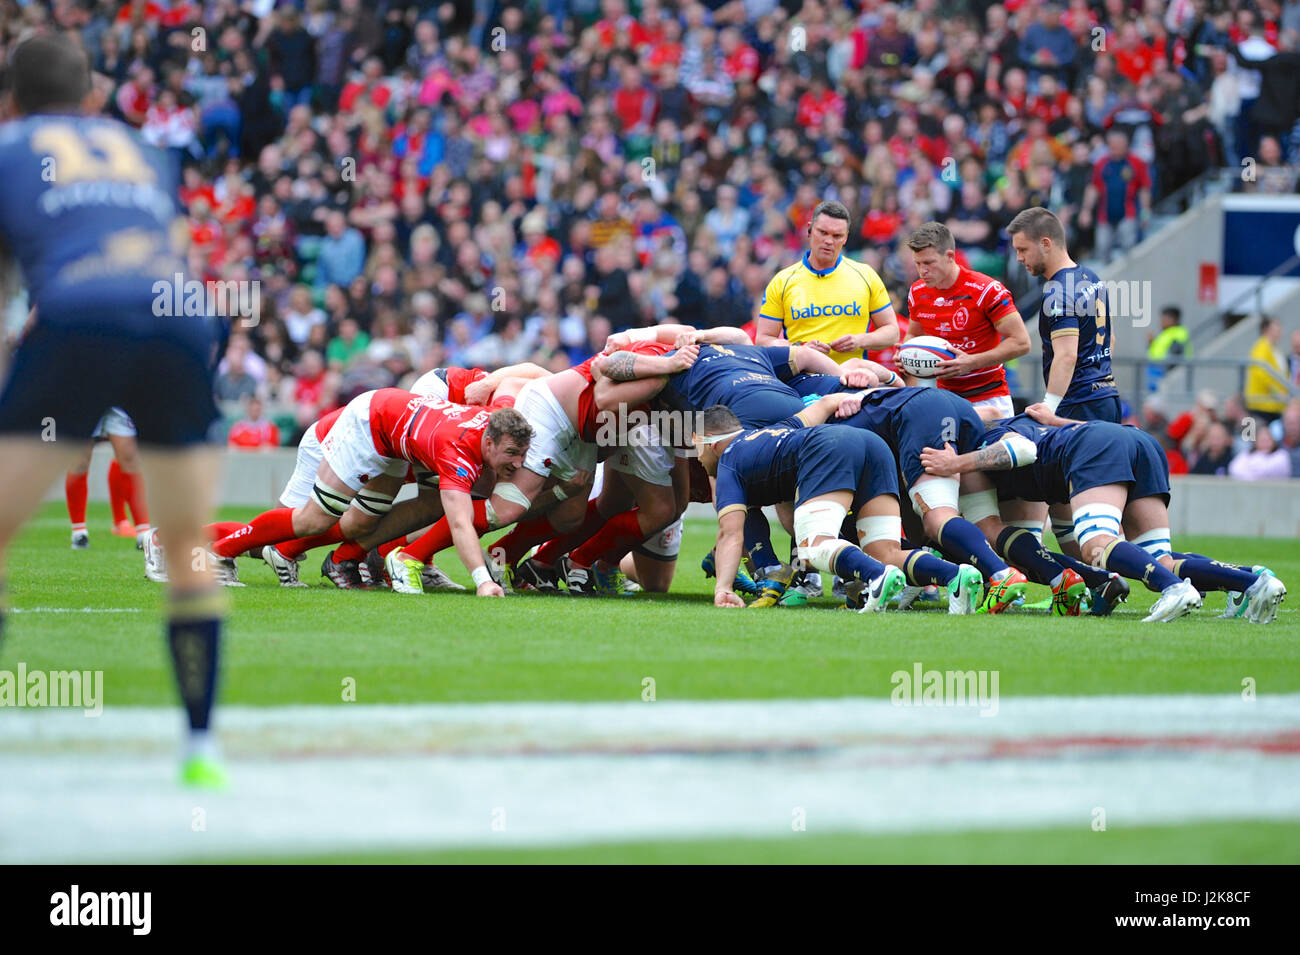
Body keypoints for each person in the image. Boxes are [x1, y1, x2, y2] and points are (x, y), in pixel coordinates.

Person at [0, 34, 225, 787]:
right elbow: (177, 245)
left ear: (11, 101)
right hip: (181, 315)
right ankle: (200, 747)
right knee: (189, 544)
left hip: (82, 313)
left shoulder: (10, 146)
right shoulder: (141, 150)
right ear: (93, 97)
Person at [920, 410, 1287, 624]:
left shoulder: (991, 436)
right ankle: (1251, 582)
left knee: (1097, 544)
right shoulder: (1037, 432)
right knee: (1156, 558)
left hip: (1099, 448)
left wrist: (956, 463)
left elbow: (1022, 449)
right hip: (1136, 441)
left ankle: (1173, 589)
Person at [698, 399, 986, 614]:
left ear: (710, 444)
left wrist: (722, 588)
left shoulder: (728, 463)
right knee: (884, 553)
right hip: (871, 443)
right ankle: (955, 575)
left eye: (696, 448)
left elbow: (731, 533)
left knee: (812, 547)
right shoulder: (771, 432)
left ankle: (876, 578)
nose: (697, 459)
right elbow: (820, 406)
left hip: (829, 447)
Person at [904, 221, 1031, 421]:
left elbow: (1022, 343)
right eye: (917, 264)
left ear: (950, 257)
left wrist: (972, 362)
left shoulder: (986, 290)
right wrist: (905, 355)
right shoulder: (917, 292)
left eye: (928, 263)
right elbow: (913, 335)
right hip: (946, 401)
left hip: (990, 398)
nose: (922, 271)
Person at [1007, 206, 1120, 422]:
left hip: (1079, 403)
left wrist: (1049, 407)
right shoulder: (1091, 276)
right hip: (1107, 396)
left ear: (1046, 244)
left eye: (1023, 249)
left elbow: (1067, 355)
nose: (1019, 258)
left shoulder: (1057, 292)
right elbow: (1110, 339)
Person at [755, 199, 901, 365]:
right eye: (823, 233)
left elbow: (892, 332)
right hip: (802, 379)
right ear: (809, 230)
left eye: (837, 236)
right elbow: (763, 340)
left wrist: (860, 340)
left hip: (854, 378)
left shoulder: (866, 275)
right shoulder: (782, 281)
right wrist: (800, 349)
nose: (829, 241)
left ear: (846, 237)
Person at [66, 407, 152, 549]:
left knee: (129, 458)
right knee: (80, 461)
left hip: (118, 398)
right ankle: (79, 532)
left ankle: (143, 530)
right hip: (84, 394)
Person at [1244, 316, 1289, 424]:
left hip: (1275, 405)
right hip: (1261, 404)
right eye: (1276, 328)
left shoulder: (1275, 348)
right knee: (1253, 435)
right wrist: (1276, 392)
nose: (1279, 331)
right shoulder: (1261, 347)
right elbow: (1261, 373)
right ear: (1266, 330)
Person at [1145, 306, 1191, 391]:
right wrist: (1151, 343)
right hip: (1155, 370)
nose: (1161, 322)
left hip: (1163, 372)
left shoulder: (1178, 333)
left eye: (1164, 319)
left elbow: (1175, 354)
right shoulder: (1165, 333)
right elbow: (1155, 352)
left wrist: (1166, 373)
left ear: (1173, 319)